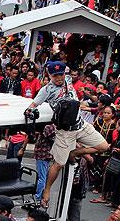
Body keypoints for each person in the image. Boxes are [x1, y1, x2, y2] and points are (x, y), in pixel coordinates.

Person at [28, 61, 110, 204]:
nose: (59, 78)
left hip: (81, 125)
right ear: (50, 75)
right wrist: (30, 112)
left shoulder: (68, 79)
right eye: (55, 76)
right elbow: (33, 105)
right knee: (58, 164)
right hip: (65, 132)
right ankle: (46, 190)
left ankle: (75, 153)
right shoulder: (46, 90)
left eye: (61, 74)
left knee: (104, 147)